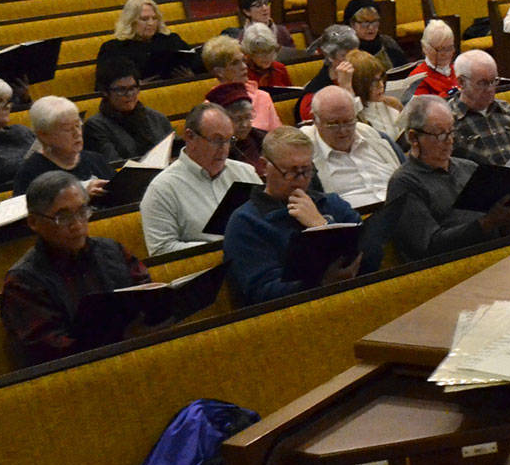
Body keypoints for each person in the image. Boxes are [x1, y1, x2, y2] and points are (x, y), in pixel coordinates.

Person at [0, 172, 151, 366]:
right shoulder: (23, 282)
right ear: (34, 222)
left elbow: (147, 294)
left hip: (137, 355)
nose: (77, 225)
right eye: (63, 217)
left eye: (82, 211)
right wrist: (120, 337)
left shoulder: (113, 251)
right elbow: (49, 350)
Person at [223, 127, 362, 305]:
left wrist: (322, 225)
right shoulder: (245, 222)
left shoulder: (331, 204)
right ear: (264, 166)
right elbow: (262, 292)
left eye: (306, 170)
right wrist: (321, 282)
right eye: (290, 171)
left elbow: (367, 252)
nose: (301, 179)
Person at [384, 95, 510, 261]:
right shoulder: (404, 183)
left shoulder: (469, 168)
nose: (449, 141)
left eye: (451, 131)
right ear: (414, 138)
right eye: (440, 134)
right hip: (454, 267)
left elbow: (500, 224)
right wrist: (487, 223)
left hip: (497, 256)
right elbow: (428, 246)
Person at [139, 103, 262, 256]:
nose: (224, 149)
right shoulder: (162, 189)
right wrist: (220, 248)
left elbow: (266, 216)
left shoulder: (244, 172)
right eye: (217, 140)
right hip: (212, 267)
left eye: (229, 140)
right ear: (190, 137)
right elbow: (161, 250)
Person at [307, 84, 401, 208]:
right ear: (315, 120)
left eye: (349, 121)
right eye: (333, 124)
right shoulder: (306, 155)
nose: (343, 130)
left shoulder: (375, 137)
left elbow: (408, 174)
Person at [13, 96, 110, 195]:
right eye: (67, 129)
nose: (77, 133)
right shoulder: (31, 173)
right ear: (44, 136)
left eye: (78, 125)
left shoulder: (96, 160)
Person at [97, 0, 200, 87]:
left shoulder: (172, 40)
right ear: (130, 21)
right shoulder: (113, 49)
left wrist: (191, 77)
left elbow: (197, 67)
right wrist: (134, 86)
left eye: (154, 18)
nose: (151, 23)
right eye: (144, 19)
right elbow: (102, 86)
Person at [448, 49, 510, 167]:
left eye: (494, 81)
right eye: (483, 83)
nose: (490, 89)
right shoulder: (449, 121)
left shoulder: (509, 110)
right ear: (461, 82)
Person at [83, 63, 168, 165]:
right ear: (105, 92)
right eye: (121, 90)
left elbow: (174, 150)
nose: (129, 94)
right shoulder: (95, 126)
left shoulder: (156, 117)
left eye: (133, 88)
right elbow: (114, 163)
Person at [201, 35, 281, 134]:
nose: (244, 66)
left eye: (243, 60)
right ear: (219, 72)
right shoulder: (210, 109)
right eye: (235, 63)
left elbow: (277, 136)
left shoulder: (262, 97)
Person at [294, 25, 359, 123]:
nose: (351, 60)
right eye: (344, 55)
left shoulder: (361, 75)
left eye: (354, 54)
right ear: (330, 57)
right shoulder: (313, 97)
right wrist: (346, 88)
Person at [346, 49, 405, 143]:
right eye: (373, 82)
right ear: (359, 84)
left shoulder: (392, 104)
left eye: (381, 78)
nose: (381, 85)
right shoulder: (355, 114)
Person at [205, 81, 266, 171]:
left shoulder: (261, 138)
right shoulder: (214, 150)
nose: (244, 125)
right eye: (237, 119)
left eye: (247, 117)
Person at [224, 0, 294, 52]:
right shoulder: (243, 37)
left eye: (266, 3)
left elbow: (293, 55)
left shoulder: (282, 32)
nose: (265, 8)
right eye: (258, 5)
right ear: (247, 12)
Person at [343, 0, 407, 68]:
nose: (371, 27)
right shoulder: (344, 49)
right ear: (351, 24)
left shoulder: (387, 43)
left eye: (375, 21)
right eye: (365, 23)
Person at [406, 21, 461, 101]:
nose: (445, 54)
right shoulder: (417, 78)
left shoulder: (459, 69)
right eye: (440, 49)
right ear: (425, 48)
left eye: (449, 48)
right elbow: (425, 107)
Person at [241, 23, 292, 91]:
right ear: (250, 54)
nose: (266, 57)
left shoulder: (280, 68)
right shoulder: (242, 73)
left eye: (269, 51)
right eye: (260, 53)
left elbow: (292, 94)